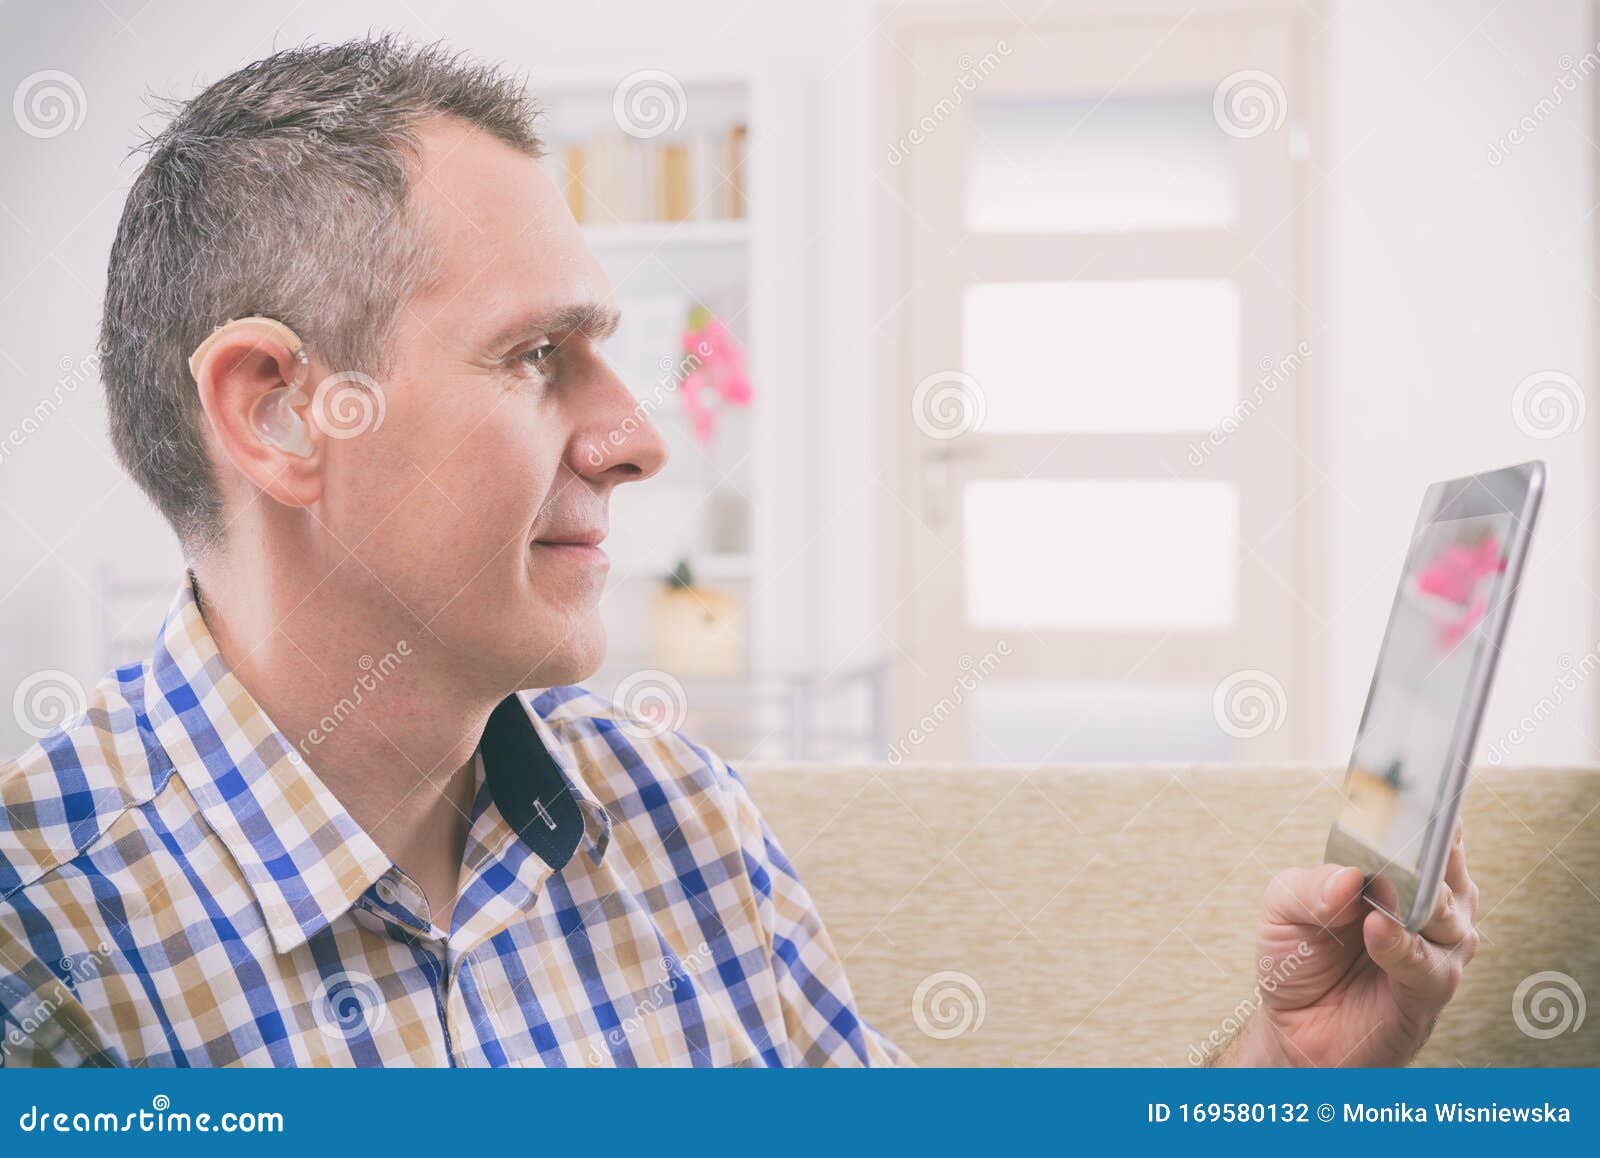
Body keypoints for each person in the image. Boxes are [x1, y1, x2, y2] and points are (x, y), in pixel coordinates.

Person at [0, 38, 1477, 1067]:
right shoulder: (41, 949)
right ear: (280, 411)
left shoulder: (675, 815)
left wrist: (1289, 1062)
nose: (638, 437)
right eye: (534, 355)